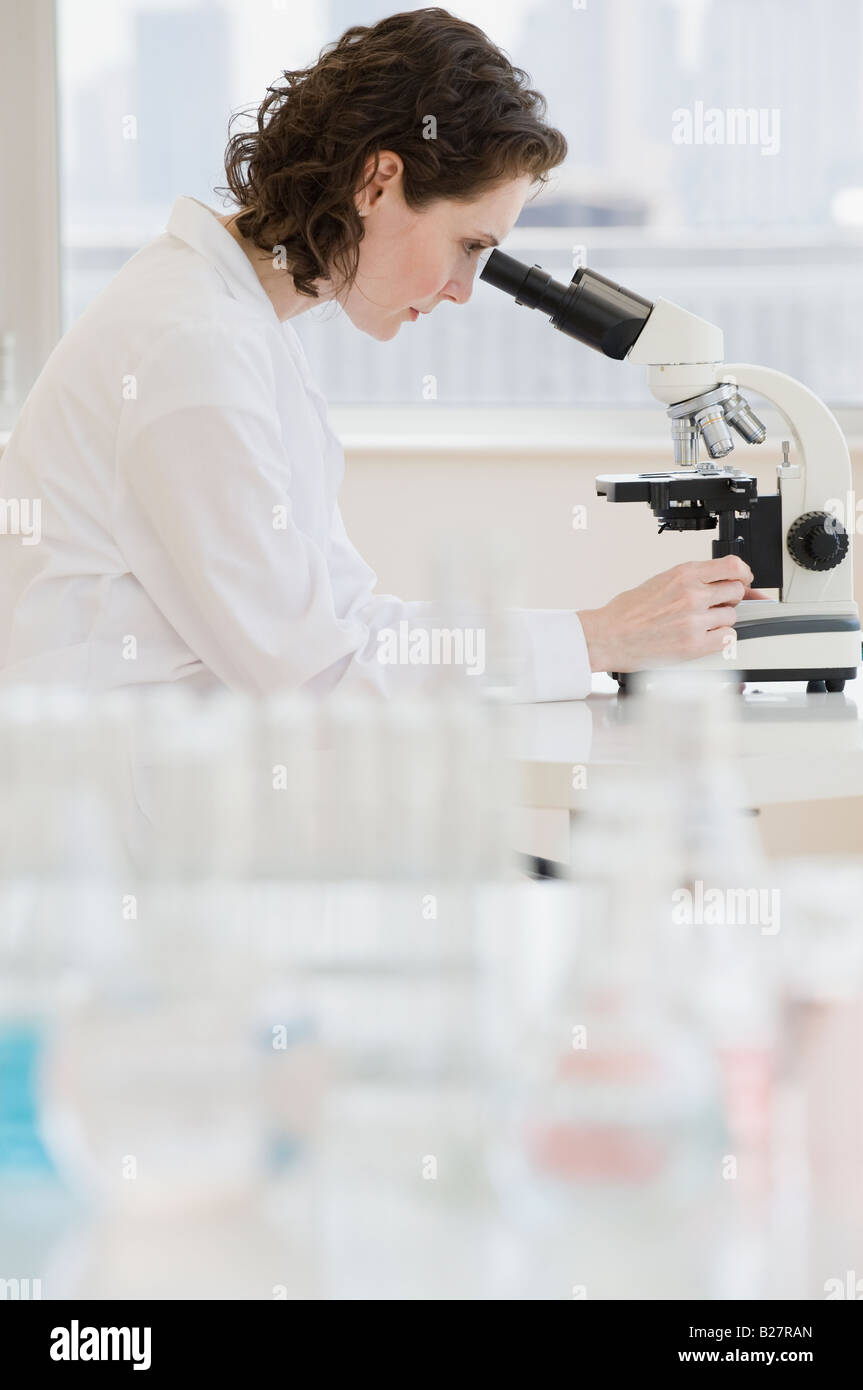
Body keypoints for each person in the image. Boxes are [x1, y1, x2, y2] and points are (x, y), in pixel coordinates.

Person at [0, 7, 763, 702]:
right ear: (378, 180)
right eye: (470, 246)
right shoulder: (194, 345)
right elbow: (317, 672)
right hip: (119, 822)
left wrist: (595, 632)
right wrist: (600, 634)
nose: (464, 289)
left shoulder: (238, 321)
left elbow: (345, 623)